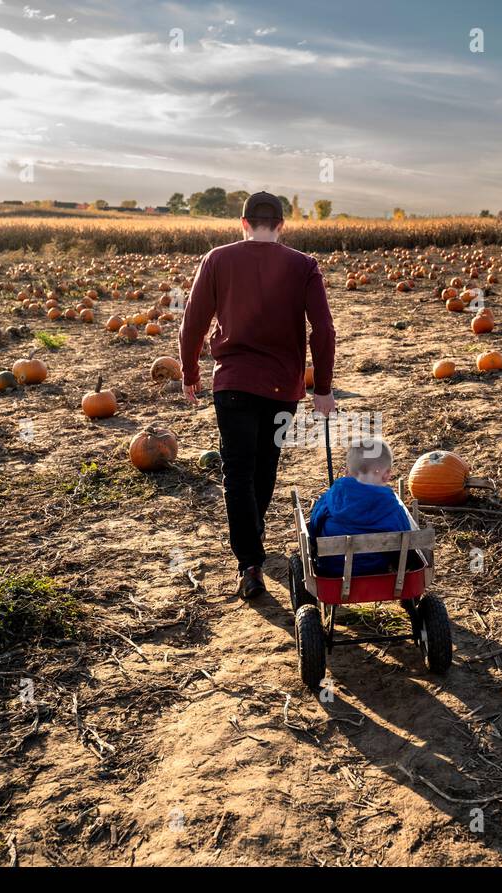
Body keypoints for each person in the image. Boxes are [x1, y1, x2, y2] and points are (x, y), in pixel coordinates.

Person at [179, 191, 336, 600]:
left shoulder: (217, 259)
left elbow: (193, 321)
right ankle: (253, 541)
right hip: (283, 386)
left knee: (238, 473)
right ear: (281, 226)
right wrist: (323, 388)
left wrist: (190, 371)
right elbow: (324, 329)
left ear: (243, 223)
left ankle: (249, 563)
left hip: (232, 383)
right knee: (265, 467)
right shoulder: (303, 265)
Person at [308, 438, 414, 577]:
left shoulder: (332, 496)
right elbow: (405, 538)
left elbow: (315, 523)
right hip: (377, 570)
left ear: (347, 471)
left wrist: (314, 543)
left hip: (332, 570)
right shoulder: (391, 505)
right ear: (387, 475)